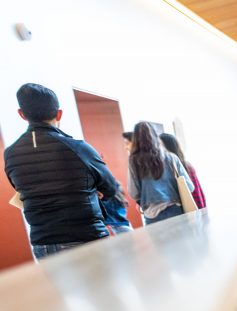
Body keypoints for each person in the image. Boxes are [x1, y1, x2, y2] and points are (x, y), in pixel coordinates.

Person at [4, 83, 120, 260]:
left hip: (42, 245)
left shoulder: (11, 154)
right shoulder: (78, 148)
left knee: (58, 290)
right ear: (59, 114)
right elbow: (111, 188)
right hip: (86, 238)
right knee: (100, 288)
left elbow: (21, 191)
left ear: (21, 114)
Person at [128, 122, 194, 225]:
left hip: (152, 215)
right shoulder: (172, 158)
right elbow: (189, 187)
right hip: (175, 211)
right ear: (155, 136)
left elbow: (133, 192)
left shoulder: (134, 161)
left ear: (135, 139)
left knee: (160, 241)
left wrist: (143, 198)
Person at [159, 132, 206, 209]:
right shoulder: (185, 164)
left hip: (189, 209)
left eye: (159, 145)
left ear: (167, 147)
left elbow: (194, 191)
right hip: (196, 207)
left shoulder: (178, 166)